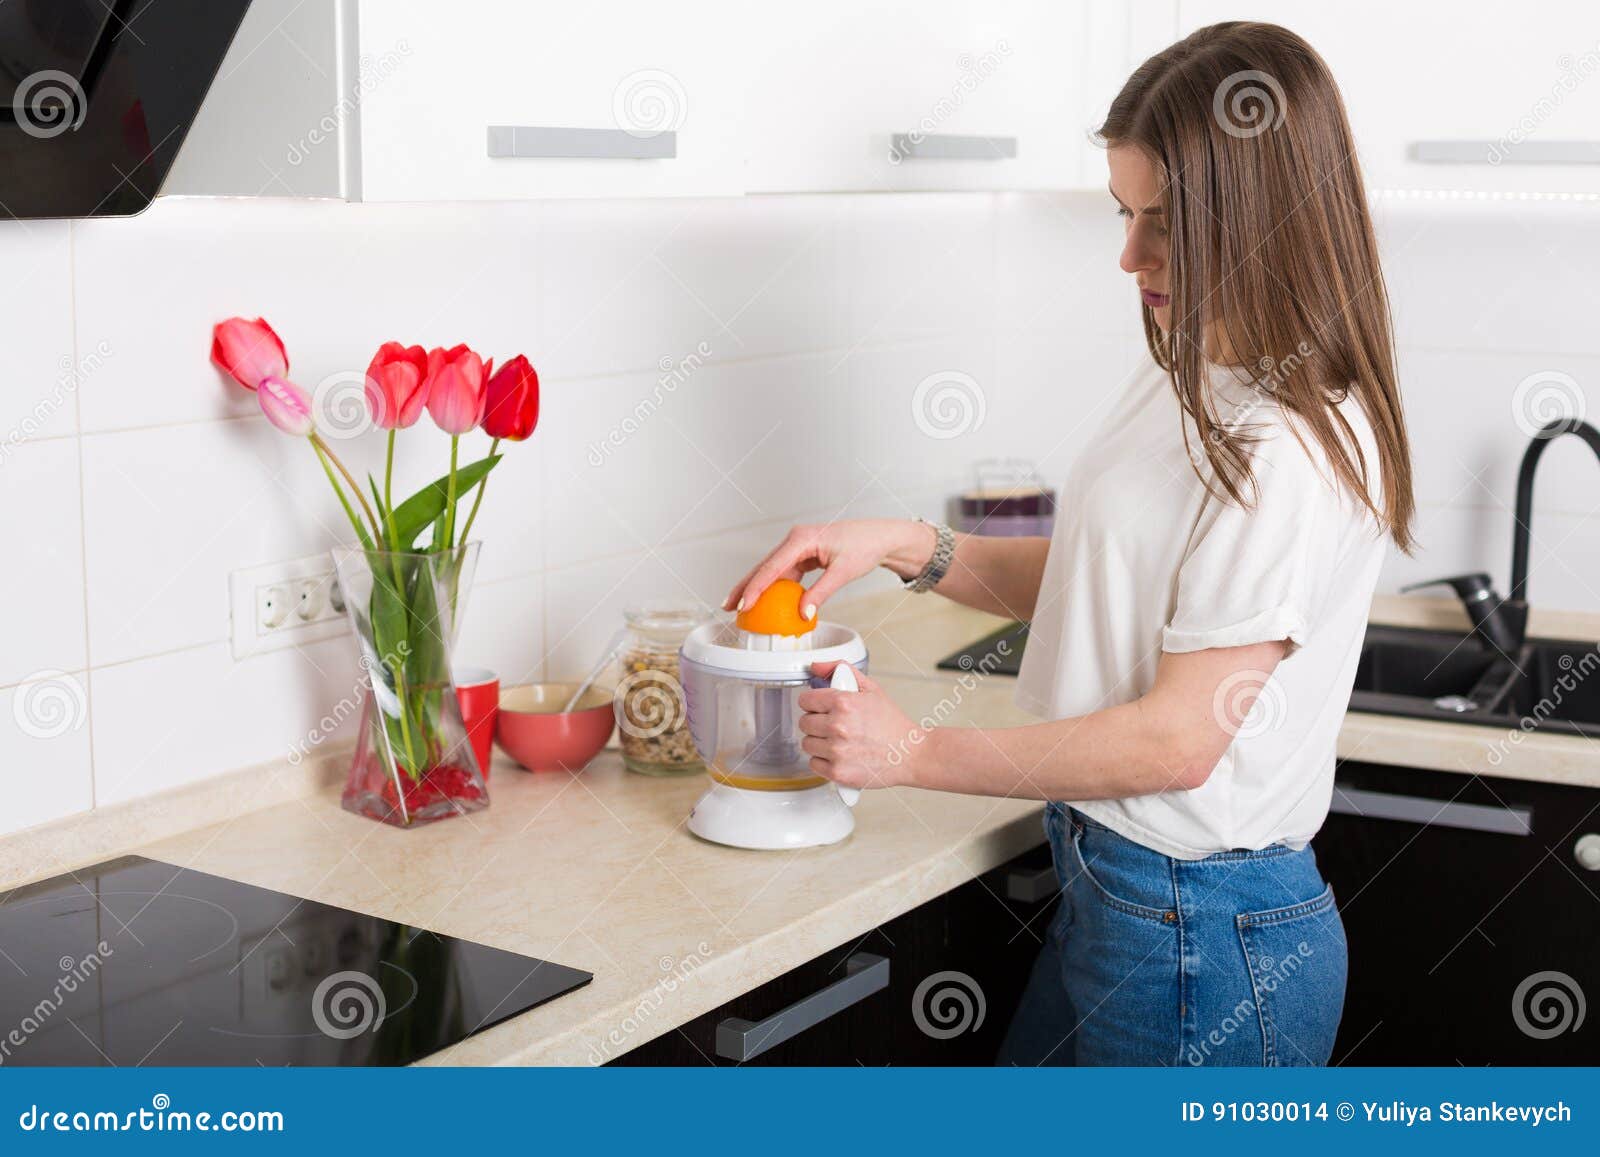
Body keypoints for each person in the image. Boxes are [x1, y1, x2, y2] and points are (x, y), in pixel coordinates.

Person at [721, 22, 1414, 1067]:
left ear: (1260, 218)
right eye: (1123, 213)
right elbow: (1112, 581)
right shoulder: (1199, 361)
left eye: (1164, 224)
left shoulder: (1288, 443)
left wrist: (914, 754)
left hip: (1202, 939)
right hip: (1124, 894)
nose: (1127, 256)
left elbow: (1179, 739)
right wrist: (912, 545)